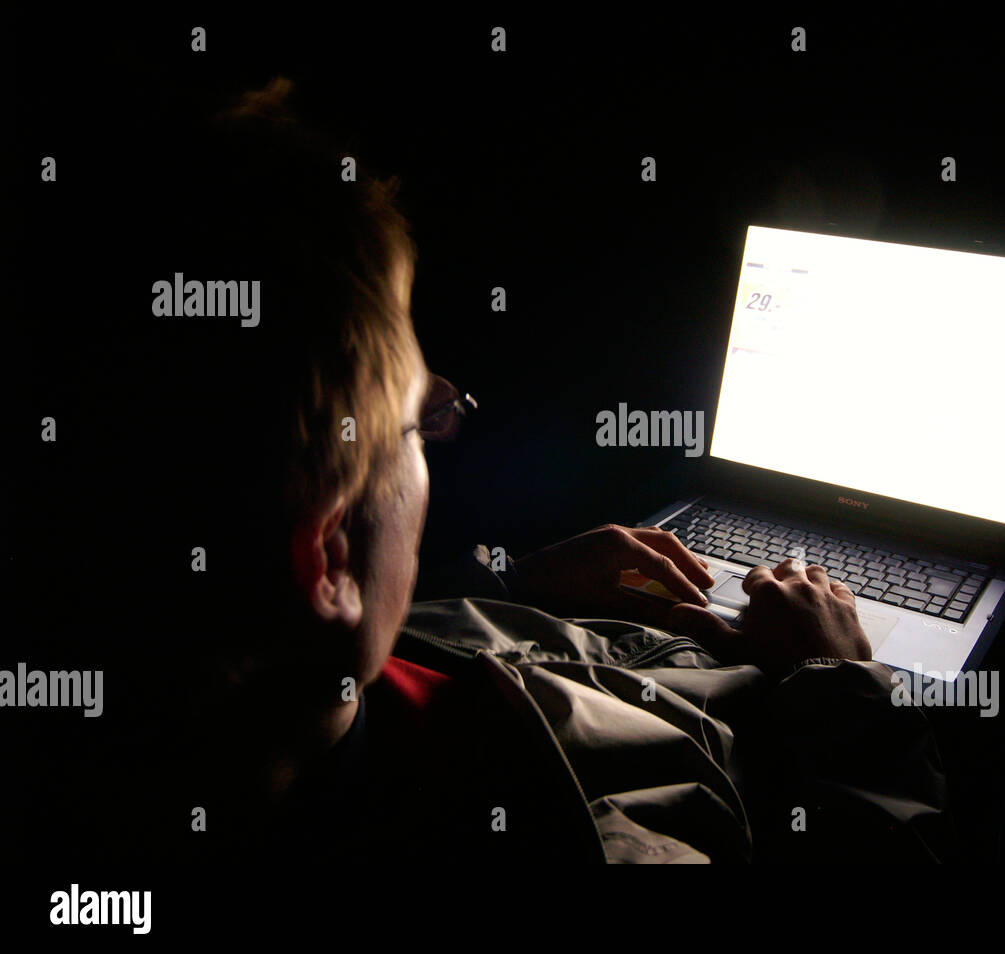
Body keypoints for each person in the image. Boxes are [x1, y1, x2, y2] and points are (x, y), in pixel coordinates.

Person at [25, 78, 953, 866]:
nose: (445, 429)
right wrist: (844, 688)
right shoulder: (579, 830)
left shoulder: (216, 724)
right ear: (330, 560)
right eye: (412, 430)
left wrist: (515, 588)